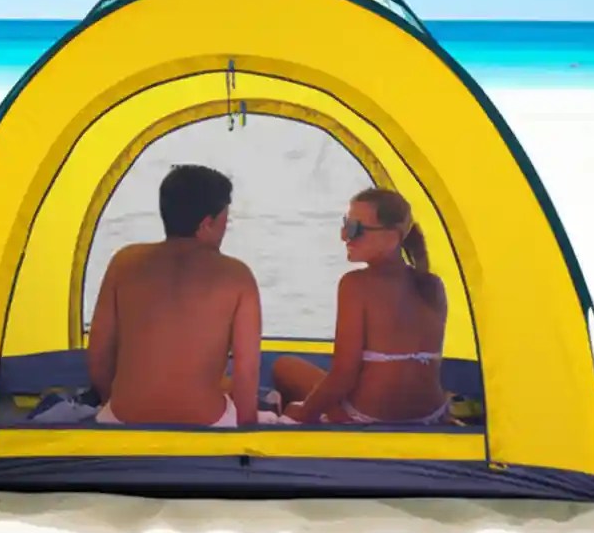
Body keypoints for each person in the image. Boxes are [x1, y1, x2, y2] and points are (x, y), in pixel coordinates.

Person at [86, 164, 262, 427]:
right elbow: (246, 375)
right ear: (207, 224)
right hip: (207, 423)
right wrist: (247, 444)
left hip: (122, 421)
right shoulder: (237, 276)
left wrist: (114, 402)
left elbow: (99, 357)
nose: (226, 227)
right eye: (226, 219)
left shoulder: (125, 262)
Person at [272, 187, 453, 425]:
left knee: (283, 368)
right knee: (290, 368)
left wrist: (303, 416)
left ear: (392, 237)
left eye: (356, 229)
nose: (345, 236)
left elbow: (342, 377)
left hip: (367, 419)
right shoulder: (432, 285)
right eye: (346, 225)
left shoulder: (355, 285)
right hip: (431, 417)